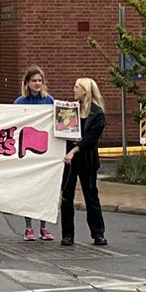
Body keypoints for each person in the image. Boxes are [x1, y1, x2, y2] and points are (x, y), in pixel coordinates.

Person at [56, 77, 108, 247]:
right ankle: (67, 235)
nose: (73, 89)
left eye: (76, 87)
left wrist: (75, 149)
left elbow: (91, 139)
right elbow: (62, 130)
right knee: (67, 196)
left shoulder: (97, 113)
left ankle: (98, 233)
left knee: (91, 195)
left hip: (86, 158)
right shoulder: (71, 109)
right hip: (69, 161)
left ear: (85, 90)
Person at [14, 66, 57, 240]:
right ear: (27, 83)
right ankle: (29, 227)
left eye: (40, 80)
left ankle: (44, 227)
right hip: (27, 152)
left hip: (46, 151)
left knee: (45, 189)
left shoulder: (49, 101)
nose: (38, 83)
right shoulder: (20, 102)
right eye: (34, 80)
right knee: (30, 190)